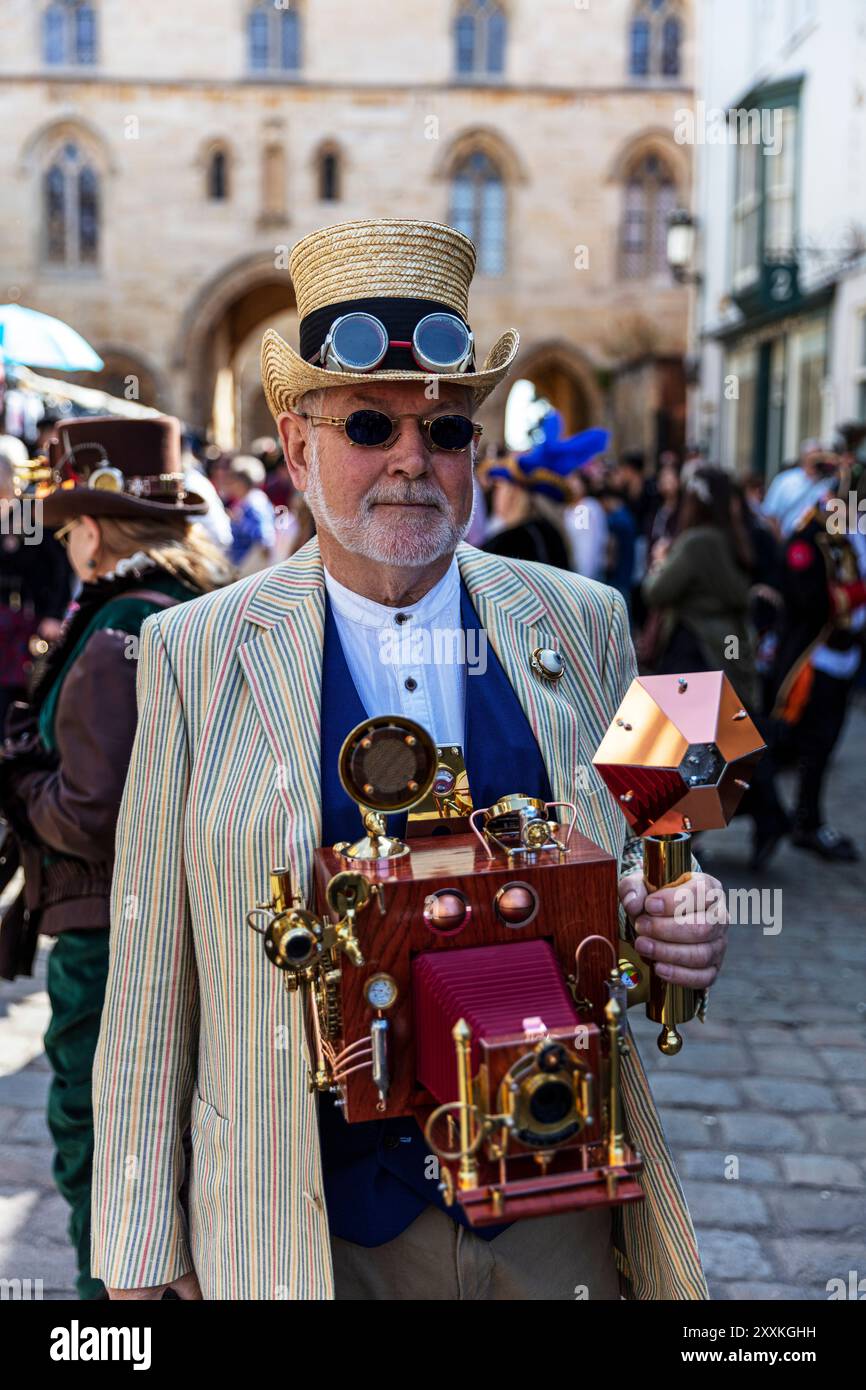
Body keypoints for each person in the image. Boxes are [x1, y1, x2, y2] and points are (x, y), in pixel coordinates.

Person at [91, 217, 727, 1303]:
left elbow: (684, 839)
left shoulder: (595, 619)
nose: (409, 460)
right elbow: (149, 981)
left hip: (556, 1201)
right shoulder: (189, 650)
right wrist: (141, 1255)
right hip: (308, 1223)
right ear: (296, 449)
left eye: (445, 432)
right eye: (370, 423)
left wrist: (693, 915)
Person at [0, 415, 231, 1299]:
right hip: (177, 920)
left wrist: (21, 782)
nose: (66, 546)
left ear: (94, 530)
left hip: (104, 935)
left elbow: (92, 814)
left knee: (97, 1147)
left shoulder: (115, 629)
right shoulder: (195, 606)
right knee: (158, 1152)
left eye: (68, 530)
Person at [769, 454, 865, 862]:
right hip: (813, 656)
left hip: (846, 653)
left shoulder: (852, 529)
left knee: (823, 744)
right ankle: (773, 817)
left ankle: (806, 818)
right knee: (785, 739)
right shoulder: (813, 531)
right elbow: (807, 597)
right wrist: (856, 595)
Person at [761, 440, 838, 540]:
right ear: (804, 458)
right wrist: (780, 541)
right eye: (813, 456)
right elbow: (770, 514)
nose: (816, 461)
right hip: (789, 540)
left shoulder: (829, 482)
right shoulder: (785, 480)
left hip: (816, 541)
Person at [223, 453, 277, 573]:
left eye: (232, 479)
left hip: (249, 570)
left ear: (242, 482)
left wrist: (239, 521)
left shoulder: (254, 503)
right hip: (242, 567)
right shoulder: (248, 501)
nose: (229, 484)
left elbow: (264, 538)